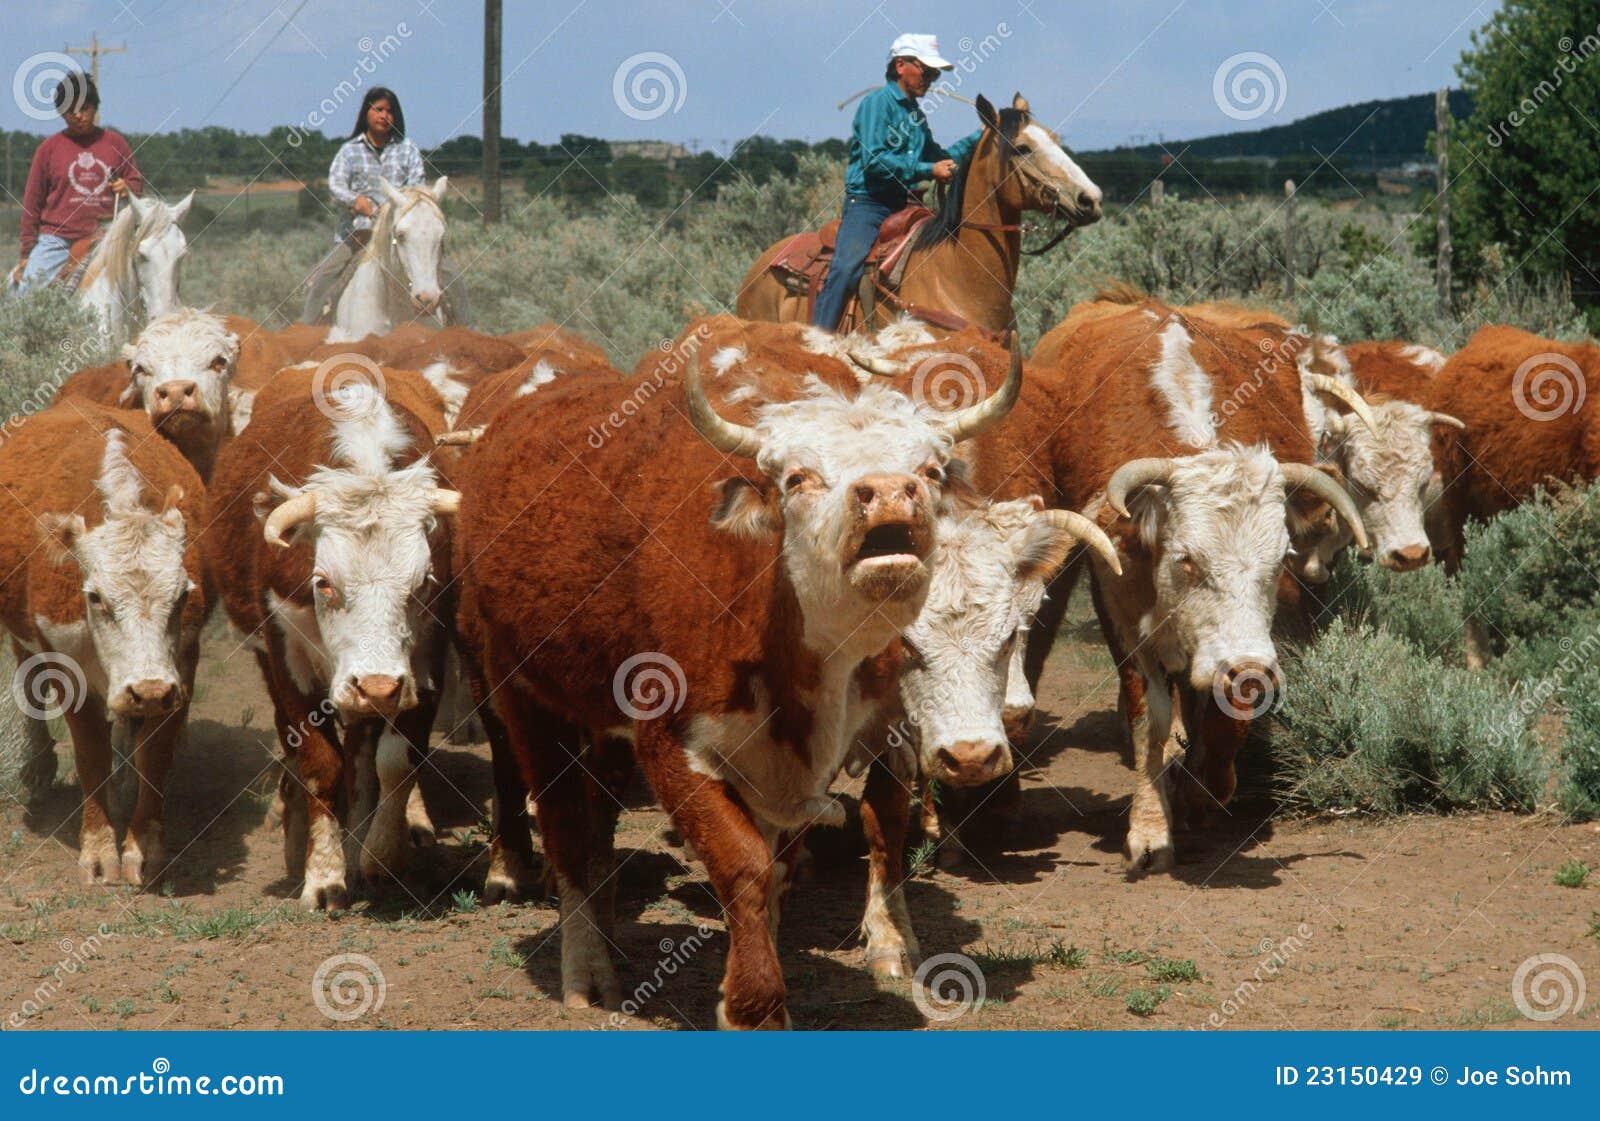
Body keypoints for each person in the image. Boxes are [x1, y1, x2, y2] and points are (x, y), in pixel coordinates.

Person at [811, 33, 981, 332]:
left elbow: (940, 157)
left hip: (904, 206)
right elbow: (875, 162)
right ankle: (819, 340)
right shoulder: (877, 104)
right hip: (868, 204)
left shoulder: (914, 114)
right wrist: (929, 170)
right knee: (846, 267)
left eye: (935, 73)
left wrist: (981, 135)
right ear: (900, 65)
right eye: (926, 70)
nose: (931, 78)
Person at [303, 86, 461, 323]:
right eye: (378, 109)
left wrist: (398, 209)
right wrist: (355, 201)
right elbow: (336, 185)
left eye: (390, 111)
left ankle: (465, 333)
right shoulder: (349, 151)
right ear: (366, 113)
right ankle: (307, 331)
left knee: (451, 275)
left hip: (401, 235)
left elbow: (417, 189)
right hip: (358, 234)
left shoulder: (407, 149)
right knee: (325, 276)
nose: (384, 116)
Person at [9, 71, 144, 295]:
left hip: (107, 236)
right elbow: (32, 204)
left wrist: (127, 186)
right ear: (61, 113)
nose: (79, 116)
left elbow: (136, 181)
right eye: (71, 111)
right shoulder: (49, 149)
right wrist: (26, 252)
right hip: (58, 238)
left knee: (146, 279)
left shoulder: (115, 143)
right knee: (27, 291)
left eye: (85, 108)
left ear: (95, 107)